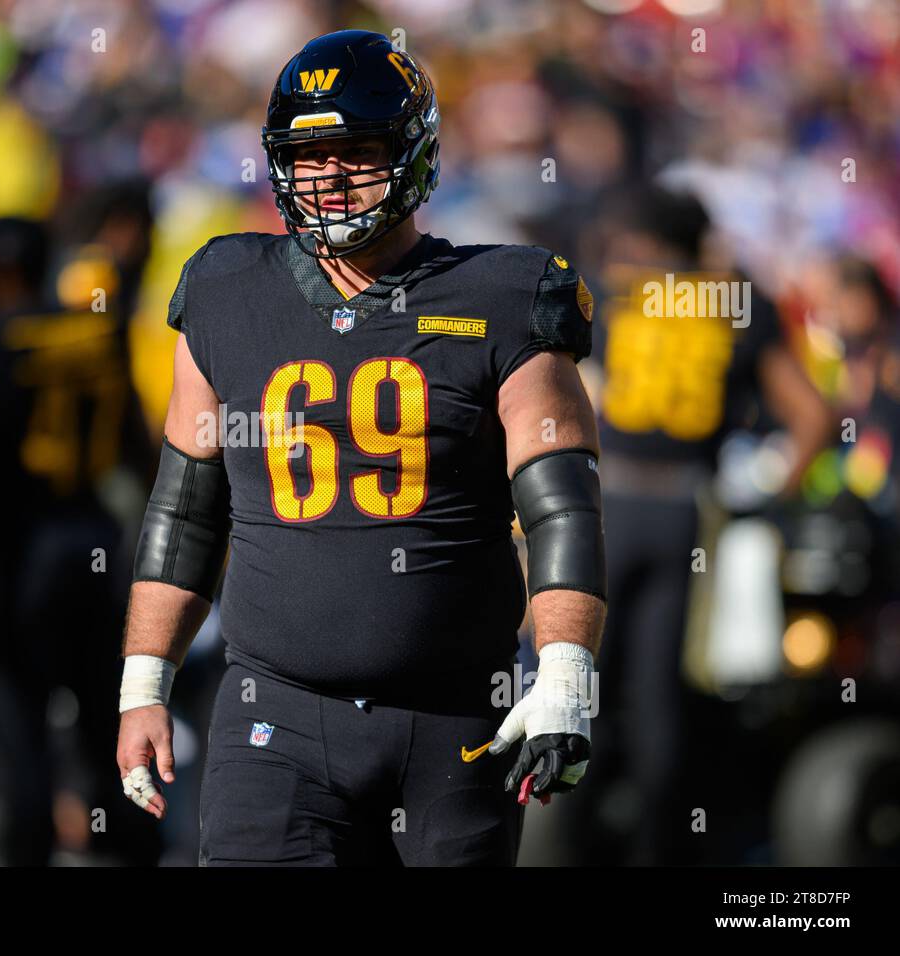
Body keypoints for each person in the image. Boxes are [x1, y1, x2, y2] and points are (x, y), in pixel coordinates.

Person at [115, 30, 606, 866]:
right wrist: (142, 686)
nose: (330, 175)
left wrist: (565, 677)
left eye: (357, 151)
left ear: (410, 154)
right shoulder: (226, 290)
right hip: (276, 715)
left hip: (453, 715)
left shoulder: (503, 296)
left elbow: (560, 506)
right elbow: (187, 509)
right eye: (309, 155)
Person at [564, 185, 832, 865]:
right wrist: (763, 497)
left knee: (574, 679)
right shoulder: (737, 305)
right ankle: (657, 849)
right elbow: (814, 417)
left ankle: (564, 840)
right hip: (692, 517)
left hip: (607, 508)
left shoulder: (613, 295)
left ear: (648, 242)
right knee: (663, 697)